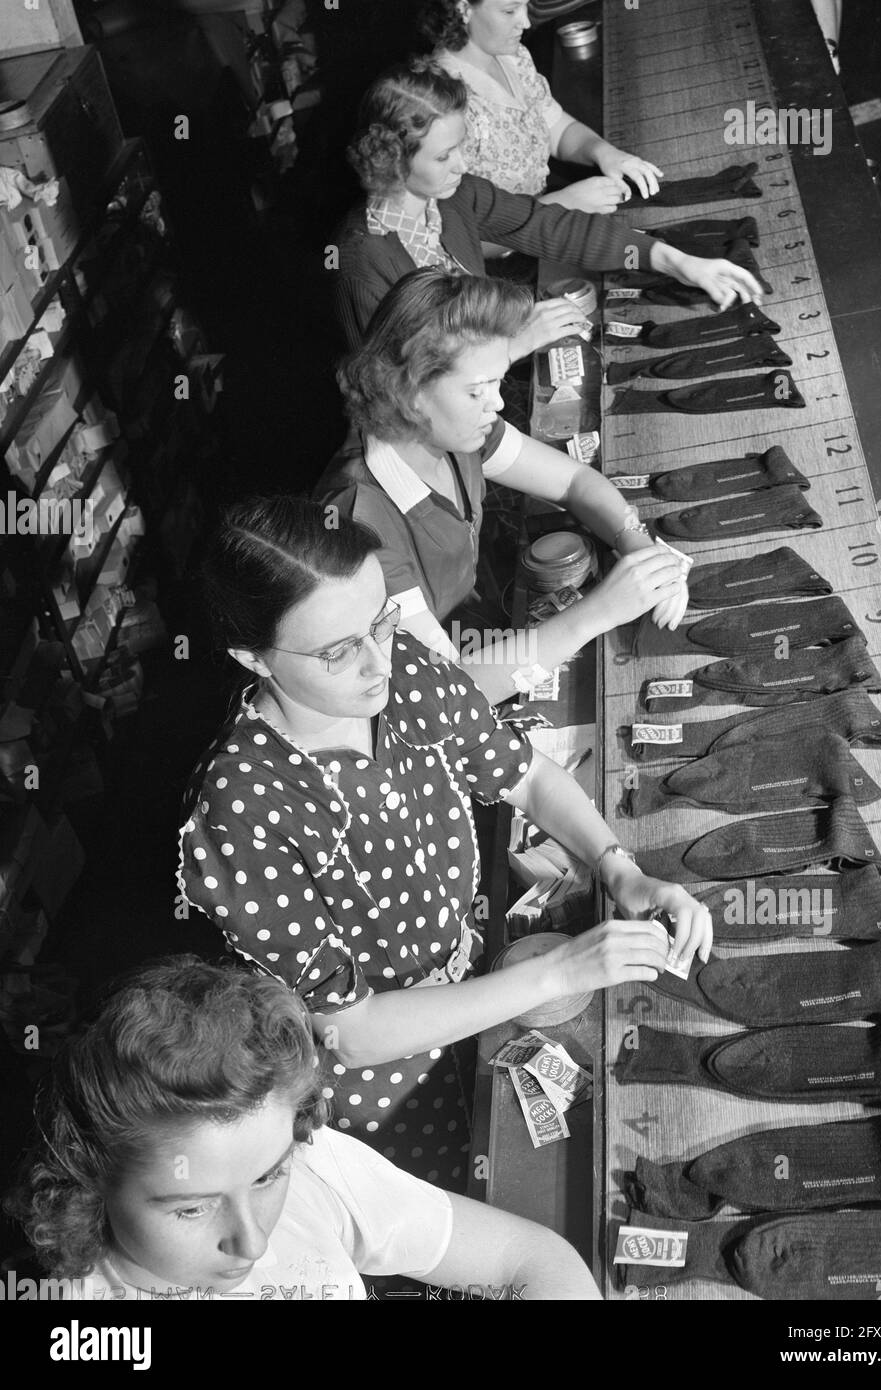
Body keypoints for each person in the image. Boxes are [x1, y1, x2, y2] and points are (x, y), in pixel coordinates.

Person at [177, 499, 713, 1182]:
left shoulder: (402, 674)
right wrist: (557, 974)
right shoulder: (241, 810)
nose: (377, 664)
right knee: (464, 1194)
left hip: (481, 976)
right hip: (391, 1080)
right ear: (251, 658)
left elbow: (524, 775)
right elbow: (357, 1030)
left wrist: (620, 870)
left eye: (380, 621)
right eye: (338, 651)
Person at [5, 956, 601, 1299]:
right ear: (91, 1183)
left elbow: (529, 1258)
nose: (254, 1242)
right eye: (190, 1209)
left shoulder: (315, 1168)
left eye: (268, 1177)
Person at [321, 267, 689, 704]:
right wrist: (600, 612)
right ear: (411, 391)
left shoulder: (452, 430)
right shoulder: (360, 524)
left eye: (497, 381)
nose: (496, 403)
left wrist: (638, 546)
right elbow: (447, 694)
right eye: (478, 389)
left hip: (473, 631)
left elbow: (574, 481)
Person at [334, 58, 763, 350]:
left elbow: (557, 229)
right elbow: (399, 393)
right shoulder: (361, 264)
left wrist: (677, 261)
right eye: (444, 156)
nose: (462, 165)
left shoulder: (453, 195)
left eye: (460, 148)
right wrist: (514, 345)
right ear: (390, 156)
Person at [423, 0, 663, 212]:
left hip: (545, 217)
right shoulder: (438, 103)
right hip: (509, 254)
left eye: (526, 5)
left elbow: (556, 129)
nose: (526, 22)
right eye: (510, 10)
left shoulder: (513, 56)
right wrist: (561, 204)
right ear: (464, 9)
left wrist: (604, 153)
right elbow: (462, 240)